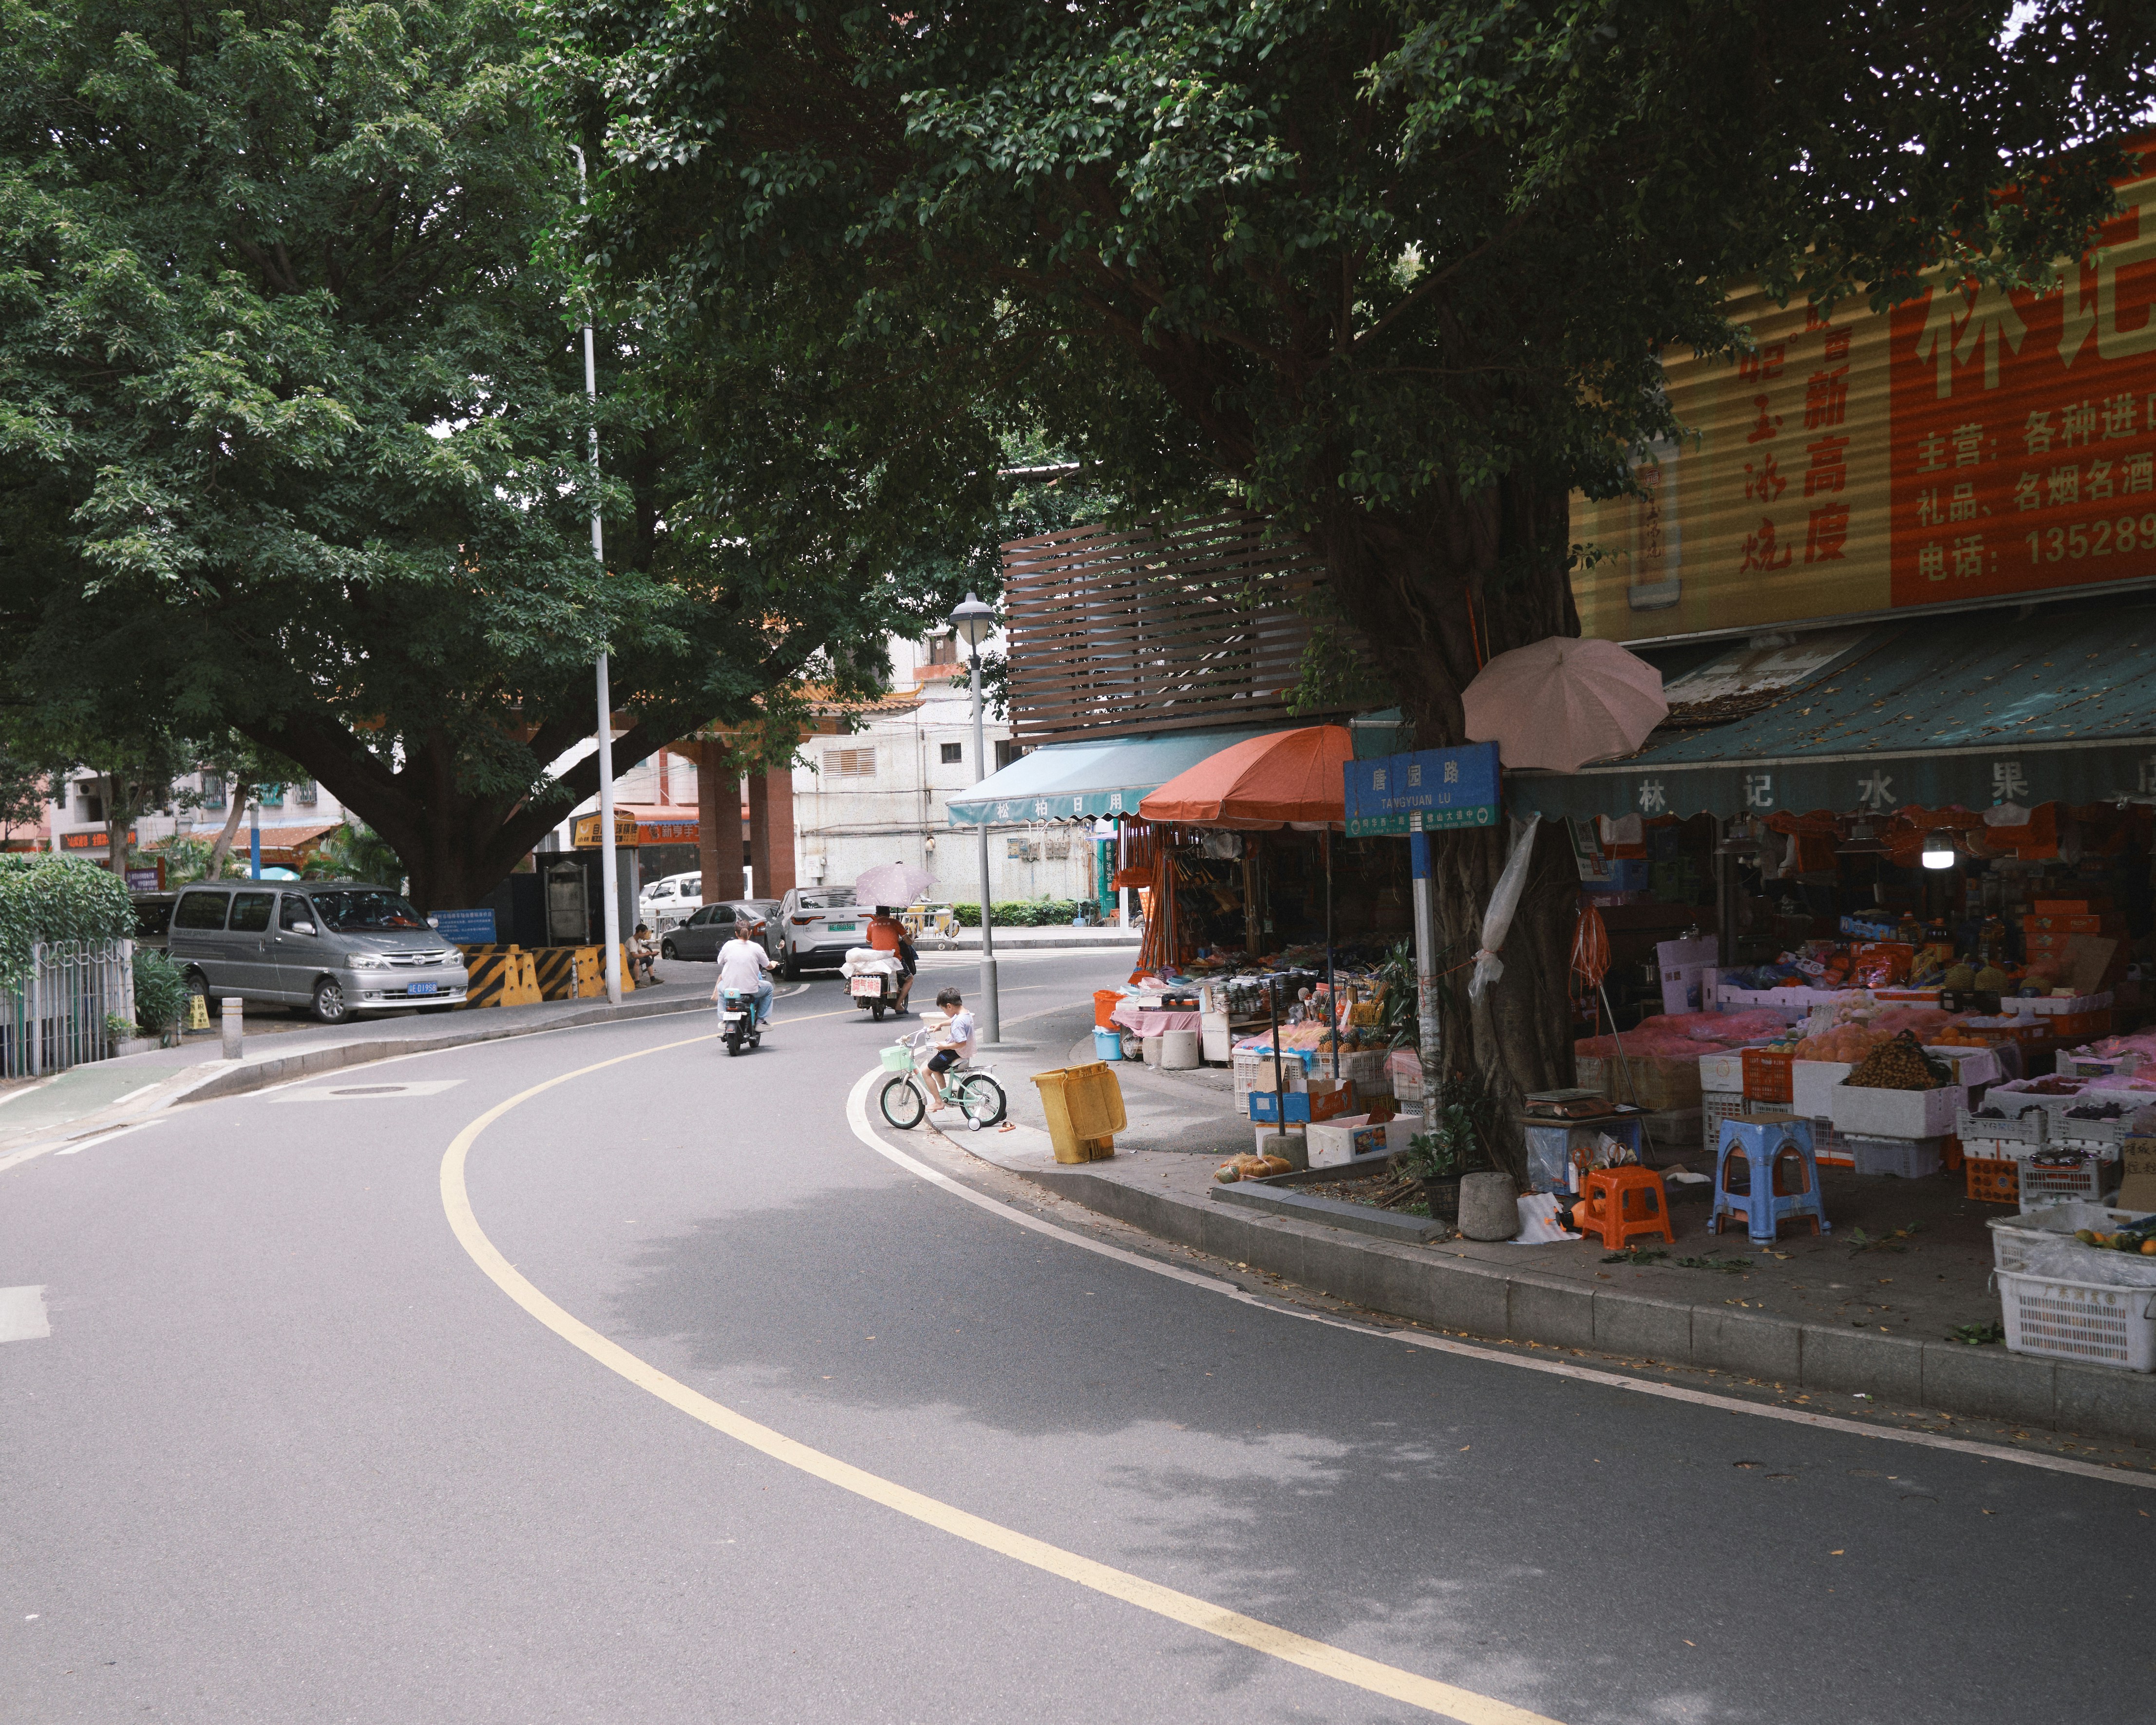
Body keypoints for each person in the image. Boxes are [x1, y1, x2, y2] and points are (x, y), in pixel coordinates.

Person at [714, 920, 776, 1031]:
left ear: (736, 933)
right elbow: (768, 966)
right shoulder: (756, 948)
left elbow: (720, 962)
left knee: (720, 987)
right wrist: (774, 964)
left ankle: (724, 1019)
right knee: (769, 989)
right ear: (750, 932)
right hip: (751, 990)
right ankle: (761, 1021)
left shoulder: (728, 946)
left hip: (730, 990)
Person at [921, 986, 975, 1089]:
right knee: (936, 1068)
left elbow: (962, 1042)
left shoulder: (958, 1022)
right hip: (962, 1051)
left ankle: (938, 1102)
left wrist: (944, 1047)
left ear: (949, 1006)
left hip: (954, 1052)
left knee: (926, 1072)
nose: (944, 1013)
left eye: (943, 1009)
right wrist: (941, 1024)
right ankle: (945, 1094)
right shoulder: (965, 1014)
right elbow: (954, 1020)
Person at [865, 905, 916, 1015]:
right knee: (910, 979)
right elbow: (908, 942)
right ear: (889, 914)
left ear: (877, 914)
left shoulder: (871, 925)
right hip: (894, 959)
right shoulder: (895, 923)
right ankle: (898, 1005)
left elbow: (868, 942)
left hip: (877, 960)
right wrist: (913, 936)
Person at [628, 922, 658, 986]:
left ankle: (653, 979)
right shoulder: (632, 941)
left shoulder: (638, 941)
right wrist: (646, 954)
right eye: (644, 933)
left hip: (633, 959)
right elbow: (634, 955)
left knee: (647, 959)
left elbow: (641, 954)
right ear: (639, 932)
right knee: (637, 960)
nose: (644, 935)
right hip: (627, 961)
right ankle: (637, 982)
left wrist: (651, 954)